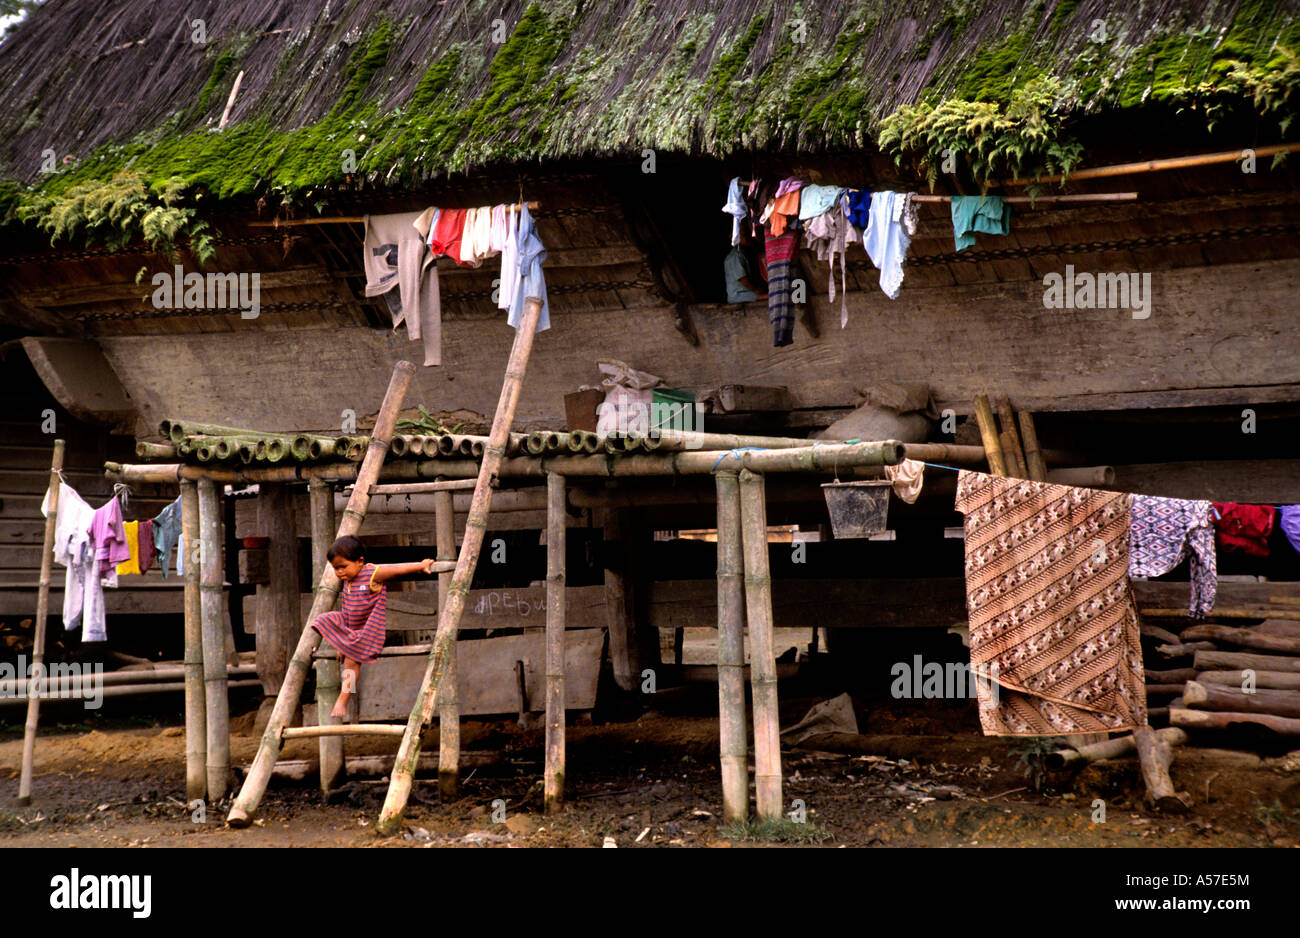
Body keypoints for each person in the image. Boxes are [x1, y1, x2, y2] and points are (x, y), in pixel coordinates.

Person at [309, 535, 437, 719]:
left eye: (343, 567)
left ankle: (343, 699)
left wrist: (420, 565)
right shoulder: (348, 580)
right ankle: (345, 646)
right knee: (323, 619)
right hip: (350, 628)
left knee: (351, 665)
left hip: (368, 630)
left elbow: (397, 570)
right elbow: (347, 609)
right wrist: (341, 643)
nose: (339, 572)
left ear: (360, 561)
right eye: (335, 568)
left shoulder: (371, 574)